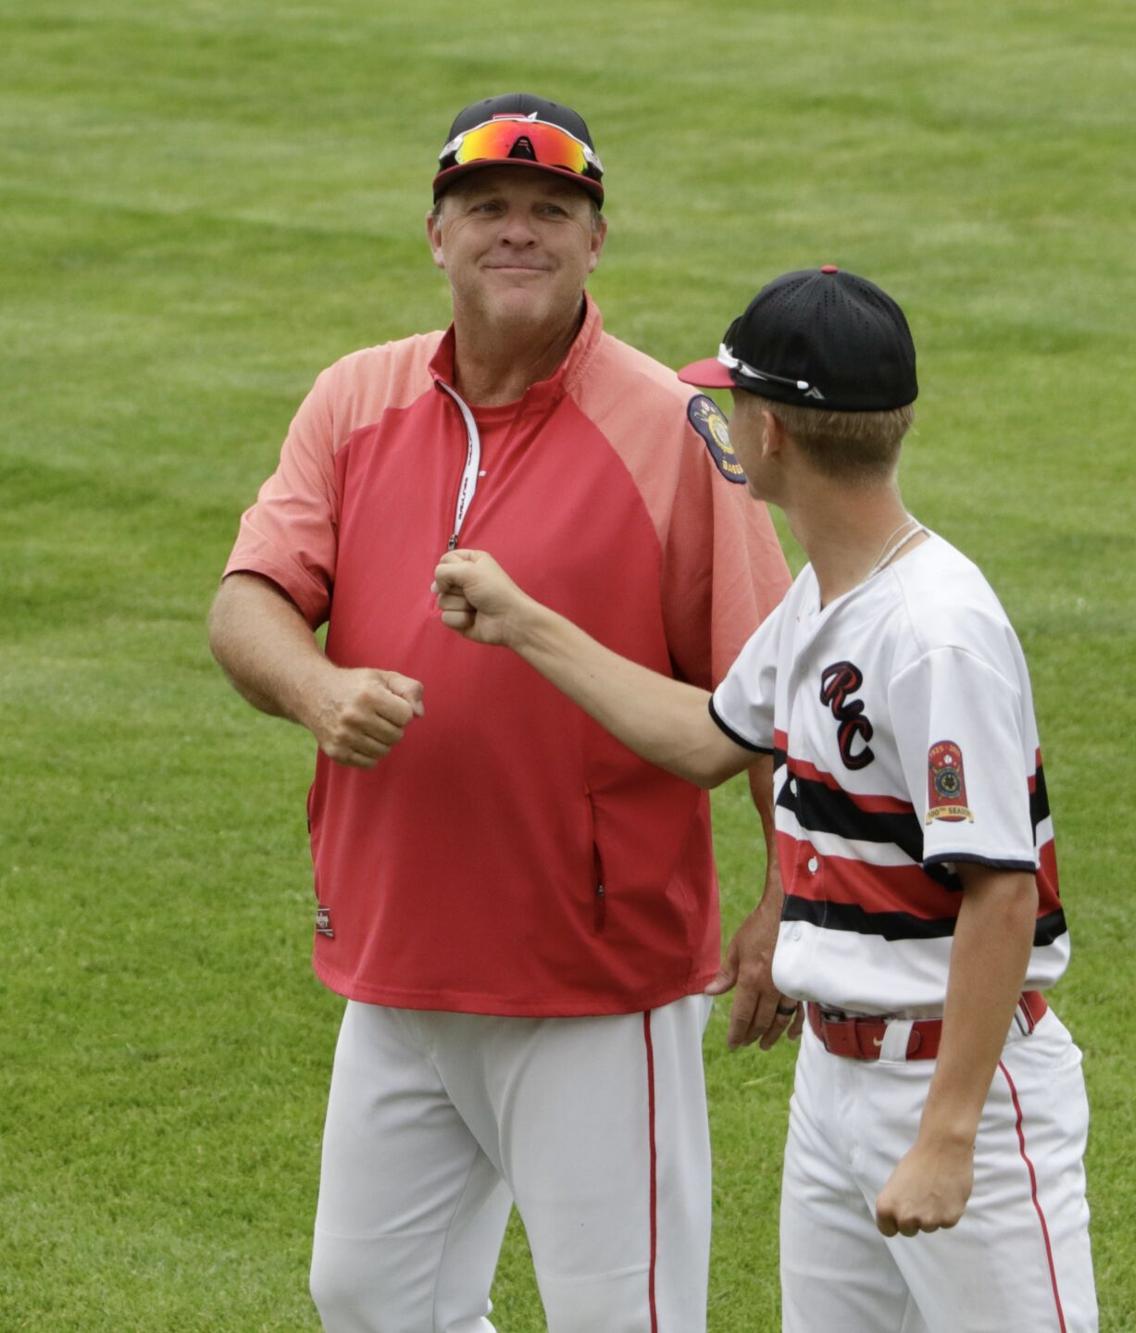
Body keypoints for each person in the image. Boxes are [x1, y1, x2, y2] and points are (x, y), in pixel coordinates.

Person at [208, 92, 793, 1333]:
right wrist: (316, 687)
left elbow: (768, 684)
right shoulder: (353, 401)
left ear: (596, 242)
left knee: (620, 1317)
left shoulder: (673, 432)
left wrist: (787, 895)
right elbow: (247, 601)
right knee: (369, 1299)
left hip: (596, 980)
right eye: (487, 209)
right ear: (437, 234)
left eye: (550, 211)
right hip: (397, 959)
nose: (516, 232)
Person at [432, 266, 1099, 1331]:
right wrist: (523, 622)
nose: (722, 418)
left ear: (774, 432)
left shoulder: (934, 632)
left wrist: (947, 1132)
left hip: (949, 1072)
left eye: (733, 400)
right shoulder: (822, 594)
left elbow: (1001, 892)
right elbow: (705, 738)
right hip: (834, 1080)